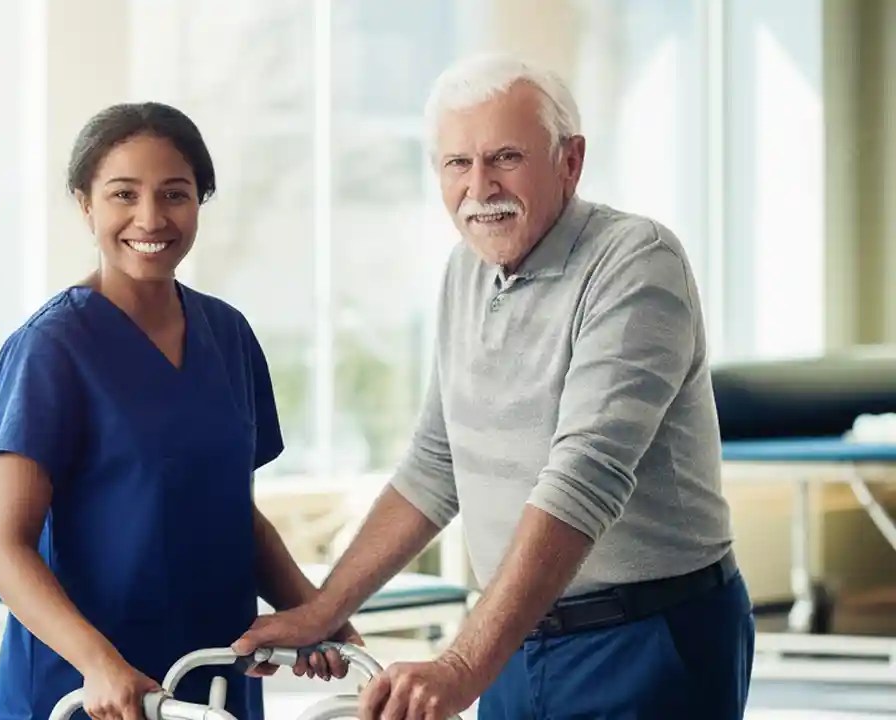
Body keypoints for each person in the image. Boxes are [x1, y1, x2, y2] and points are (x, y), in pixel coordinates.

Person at [232, 54, 755, 719]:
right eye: (457, 164)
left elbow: (583, 479)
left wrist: (459, 663)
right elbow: (435, 461)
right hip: (517, 638)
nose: (480, 187)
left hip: (644, 638)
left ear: (571, 160)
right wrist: (323, 610)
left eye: (506, 157)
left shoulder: (636, 262)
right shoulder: (466, 269)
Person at [0, 101, 358, 720]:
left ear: (200, 202)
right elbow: (5, 546)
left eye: (174, 194)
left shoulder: (228, 334)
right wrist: (98, 662)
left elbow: (239, 517)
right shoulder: (51, 348)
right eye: (123, 194)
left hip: (210, 674)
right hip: (86, 689)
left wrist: (322, 617)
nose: (150, 218)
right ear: (85, 204)